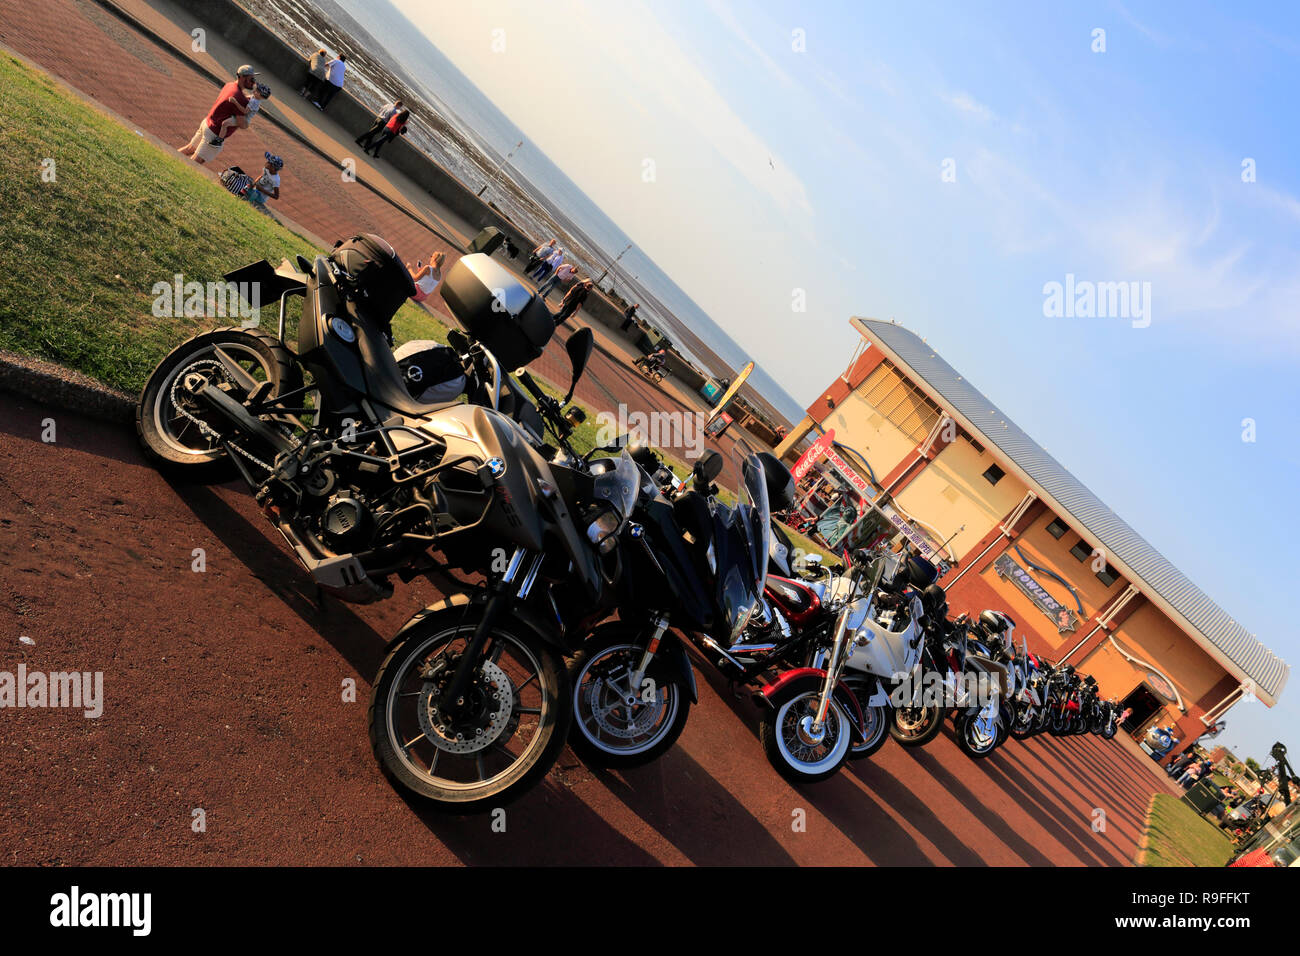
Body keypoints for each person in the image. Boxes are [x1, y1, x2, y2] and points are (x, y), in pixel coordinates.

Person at [178, 64, 257, 165]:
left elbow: (234, 97)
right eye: (252, 79)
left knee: (189, 148)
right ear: (243, 77)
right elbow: (242, 124)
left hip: (207, 123)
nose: (254, 83)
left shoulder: (230, 85)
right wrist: (250, 117)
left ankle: (168, 159)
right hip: (214, 133)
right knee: (196, 161)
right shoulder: (240, 99)